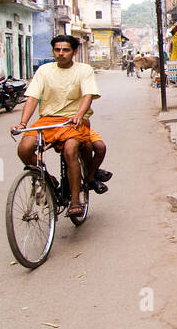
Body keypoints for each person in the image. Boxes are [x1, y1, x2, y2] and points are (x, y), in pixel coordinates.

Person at [11, 36, 110, 219]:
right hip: (47, 120)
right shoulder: (44, 70)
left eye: (65, 50)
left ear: (74, 52)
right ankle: (47, 179)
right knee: (24, 148)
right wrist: (23, 123)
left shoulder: (84, 70)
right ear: (53, 51)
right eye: (57, 50)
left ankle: (74, 201)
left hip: (73, 121)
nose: (61, 54)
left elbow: (88, 94)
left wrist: (79, 115)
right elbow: (32, 97)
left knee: (71, 150)